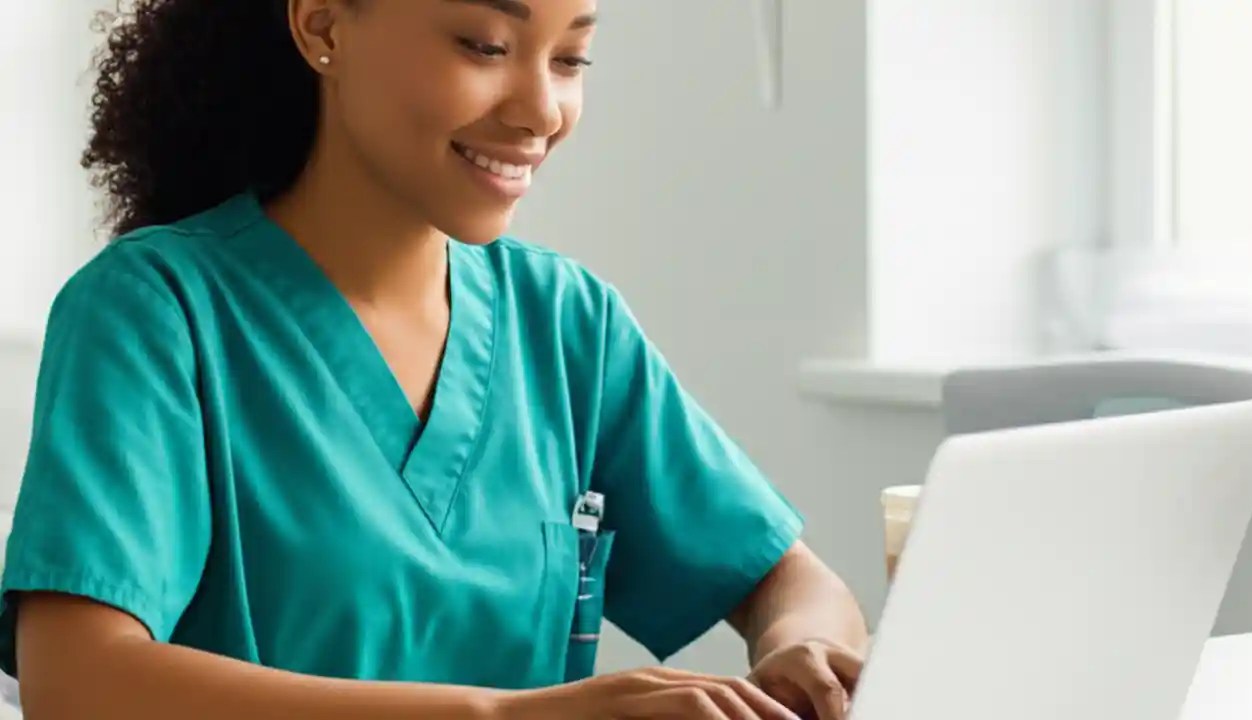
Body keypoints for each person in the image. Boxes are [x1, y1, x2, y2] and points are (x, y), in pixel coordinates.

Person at [0, 1, 869, 718]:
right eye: (486, 46)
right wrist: (505, 718)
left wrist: (804, 651)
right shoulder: (156, 312)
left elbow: (793, 585)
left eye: (571, 60)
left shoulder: (567, 324)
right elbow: (77, 683)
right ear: (324, 27)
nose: (541, 111)